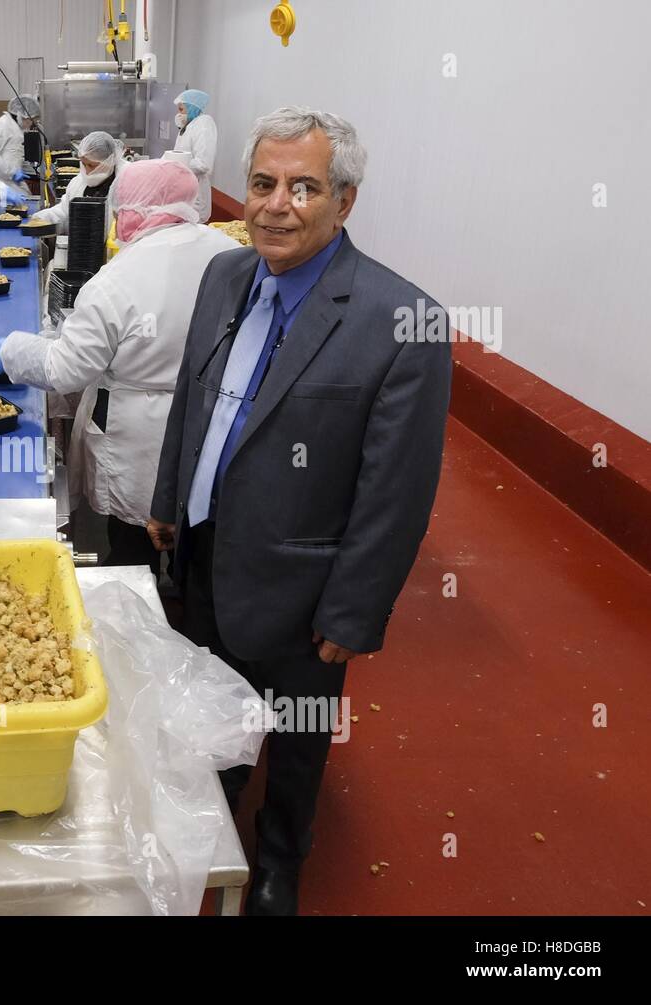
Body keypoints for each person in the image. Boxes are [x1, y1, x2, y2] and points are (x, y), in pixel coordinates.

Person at [148, 107, 452, 915]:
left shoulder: (400, 323)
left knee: (301, 735)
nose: (276, 204)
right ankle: (212, 817)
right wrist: (171, 498)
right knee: (209, 701)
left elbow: (397, 492)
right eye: (262, 183)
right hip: (207, 552)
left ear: (344, 201)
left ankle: (282, 858)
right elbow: (195, 397)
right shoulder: (225, 275)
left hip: (306, 589)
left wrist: (354, 612)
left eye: (303, 187)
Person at [0, 160, 239, 571]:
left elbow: (66, 370)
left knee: (135, 546)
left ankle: (139, 605)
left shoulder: (119, 278)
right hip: (213, 423)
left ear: (130, 211)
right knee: (201, 539)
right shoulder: (232, 256)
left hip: (139, 434)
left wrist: (11, 351)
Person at [29, 131, 121, 235]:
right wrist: (42, 218)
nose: (87, 171)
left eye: (92, 165)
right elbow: (65, 211)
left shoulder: (126, 183)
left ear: (109, 161)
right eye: (83, 164)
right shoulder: (78, 183)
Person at [171, 88, 217, 223]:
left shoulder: (204, 124)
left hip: (195, 195)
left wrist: (176, 163)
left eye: (181, 109)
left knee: (194, 230)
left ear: (192, 108)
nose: (178, 114)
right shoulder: (188, 126)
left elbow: (203, 164)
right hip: (183, 192)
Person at [0, 94, 40, 188]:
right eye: (31, 120)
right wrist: (12, 172)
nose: (31, 125)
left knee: (24, 195)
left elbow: (13, 153)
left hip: (8, 179)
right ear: (21, 115)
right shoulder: (2, 125)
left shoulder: (16, 128)